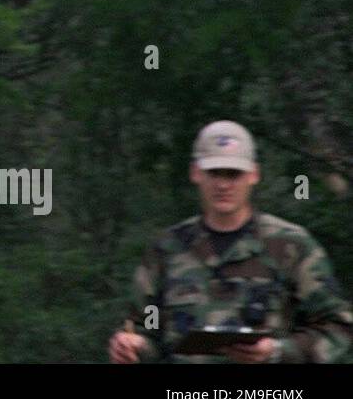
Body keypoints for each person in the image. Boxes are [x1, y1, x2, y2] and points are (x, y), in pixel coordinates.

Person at [108, 120, 351, 364]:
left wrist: (278, 351)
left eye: (233, 174)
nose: (223, 185)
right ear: (195, 172)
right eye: (214, 173)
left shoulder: (290, 246)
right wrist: (134, 345)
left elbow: (339, 328)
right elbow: (147, 324)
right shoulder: (166, 250)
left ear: (253, 174)